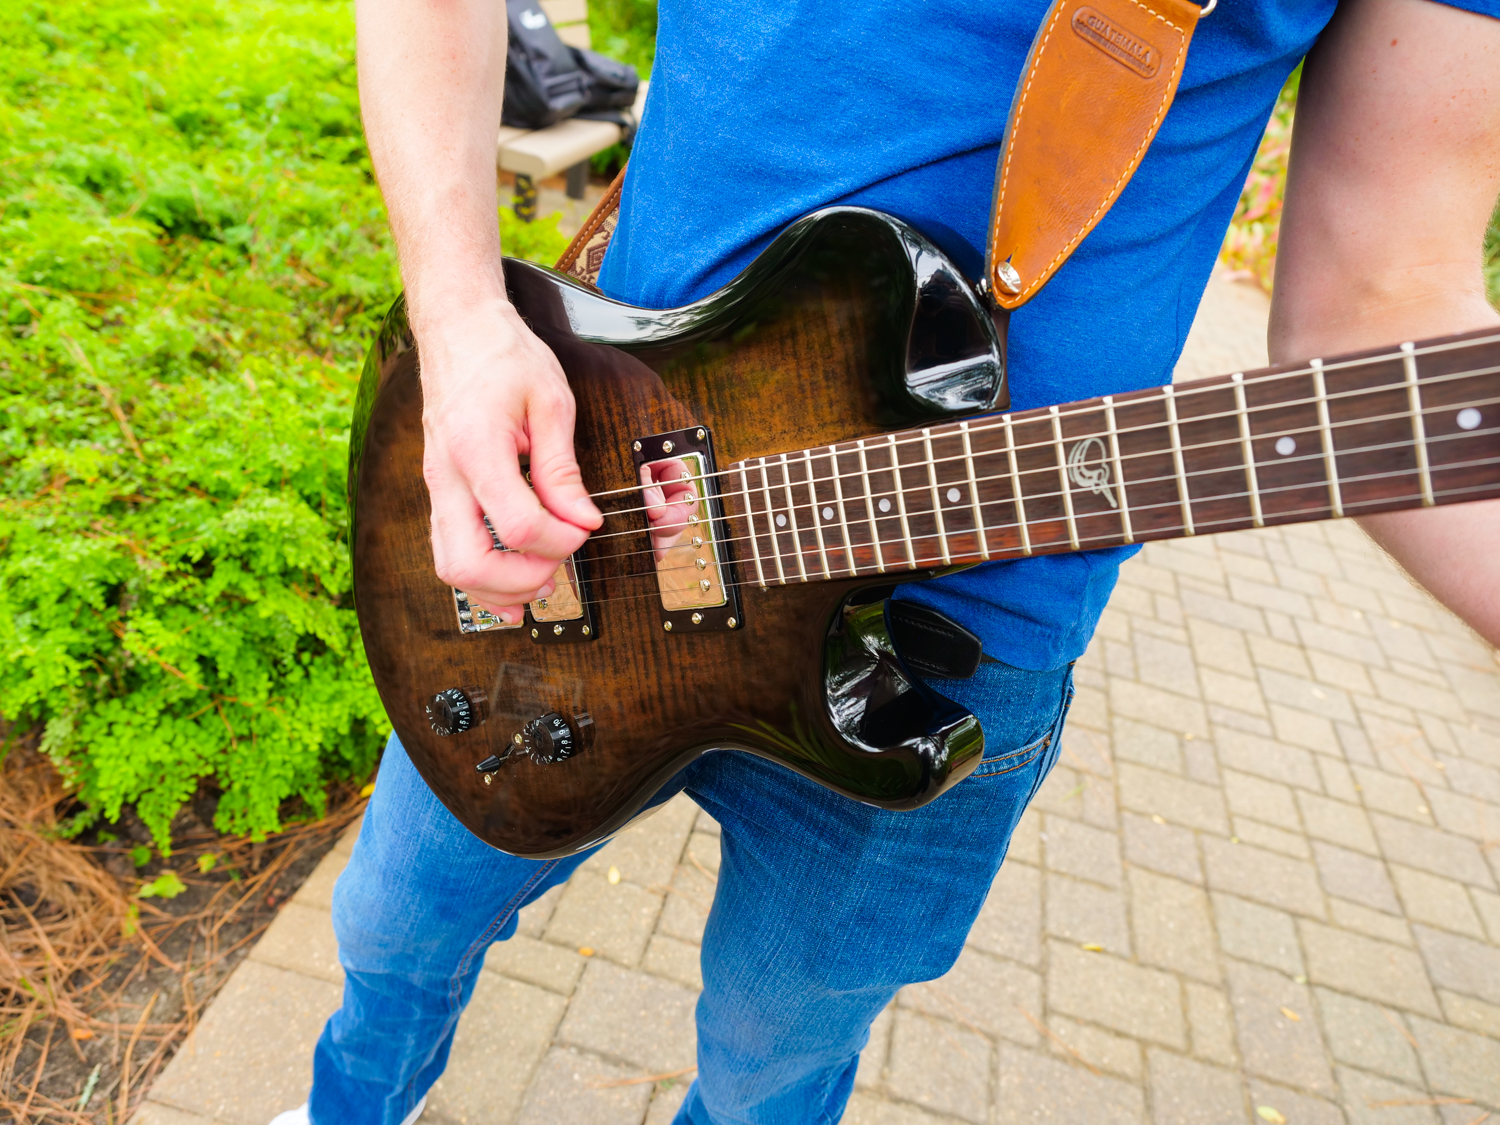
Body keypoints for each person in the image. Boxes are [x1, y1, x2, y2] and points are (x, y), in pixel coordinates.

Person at [277, 0, 1500, 1122]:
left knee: (771, 1066)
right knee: (392, 926)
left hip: (962, 642)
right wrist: (458, 320)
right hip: (599, 479)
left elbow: (1385, 294)